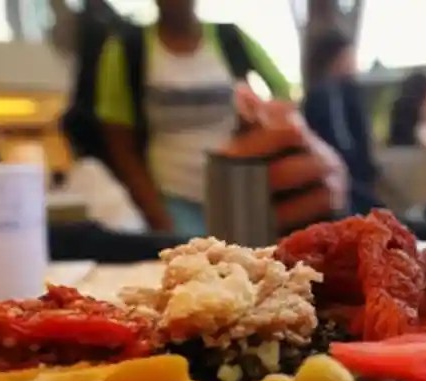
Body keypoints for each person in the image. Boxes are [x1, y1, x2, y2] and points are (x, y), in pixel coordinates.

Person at [94, 0, 291, 235]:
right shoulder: (128, 47)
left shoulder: (230, 38)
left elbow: (283, 98)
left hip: (238, 192)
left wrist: (259, 117)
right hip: (173, 195)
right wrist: (157, 215)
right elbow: (119, 142)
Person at [301, 29, 380, 214]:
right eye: (350, 55)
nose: (354, 63)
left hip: (339, 179)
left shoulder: (334, 91)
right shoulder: (329, 93)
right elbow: (342, 141)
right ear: (337, 58)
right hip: (344, 180)